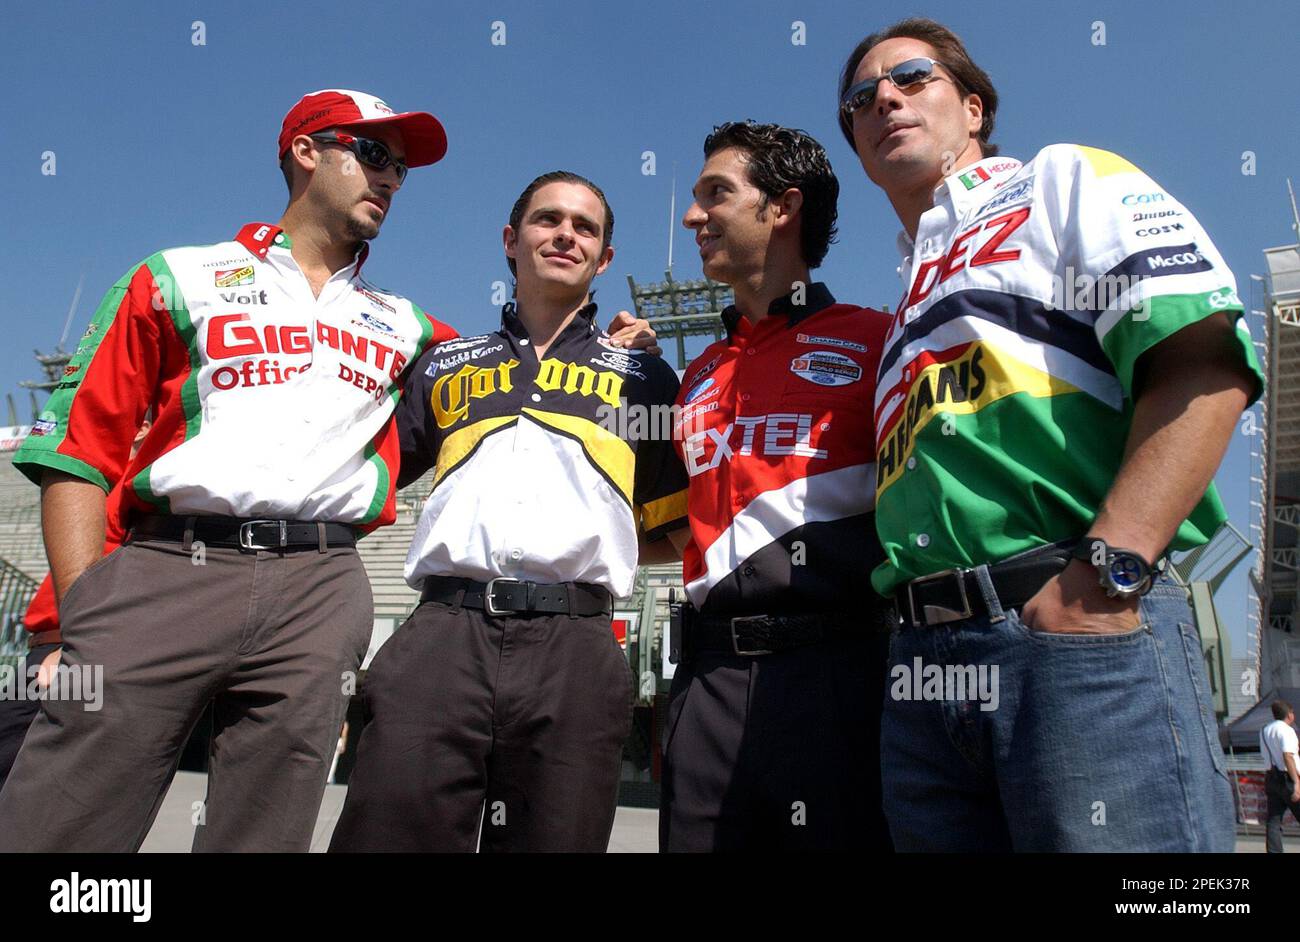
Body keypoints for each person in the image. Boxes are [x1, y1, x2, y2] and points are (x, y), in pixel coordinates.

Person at [836, 19, 1264, 851]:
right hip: (923, 668)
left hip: (1070, 631)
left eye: (911, 77)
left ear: (974, 107)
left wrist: (1104, 579)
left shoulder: (1061, 179)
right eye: (859, 97)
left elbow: (1203, 363)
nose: (883, 97)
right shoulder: (900, 313)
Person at [328, 171, 689, 853]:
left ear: (604, 258)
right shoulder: (445, 363)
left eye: (585, 228)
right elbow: (360, 484)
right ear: (510, 240)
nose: (566, 235)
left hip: (576, 645)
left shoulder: (645, 377)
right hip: (443, 633)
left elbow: (677, 532)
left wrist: (582, 546)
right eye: (548, 220)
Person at [651, 122, 894, 851]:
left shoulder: (881, 339)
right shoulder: (696, 373)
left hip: (841, 677)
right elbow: (673, 527)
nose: (693, 215)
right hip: (707, 679)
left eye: (715, 193)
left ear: (783, 207)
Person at [0, 419, 149, 795]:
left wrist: (75, 643)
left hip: (73, 644)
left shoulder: (145, 485)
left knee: (31, 775)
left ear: (144, 427)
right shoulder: (97, 477)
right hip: (46, 642)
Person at [1261, 700, 1300, 853]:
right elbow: (1287, 756)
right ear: (1289, 715)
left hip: (1271, 777)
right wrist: (1296, 782)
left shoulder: (1265, 730)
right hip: (1288, 777)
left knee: (1273, 821)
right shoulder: (1287, 730)